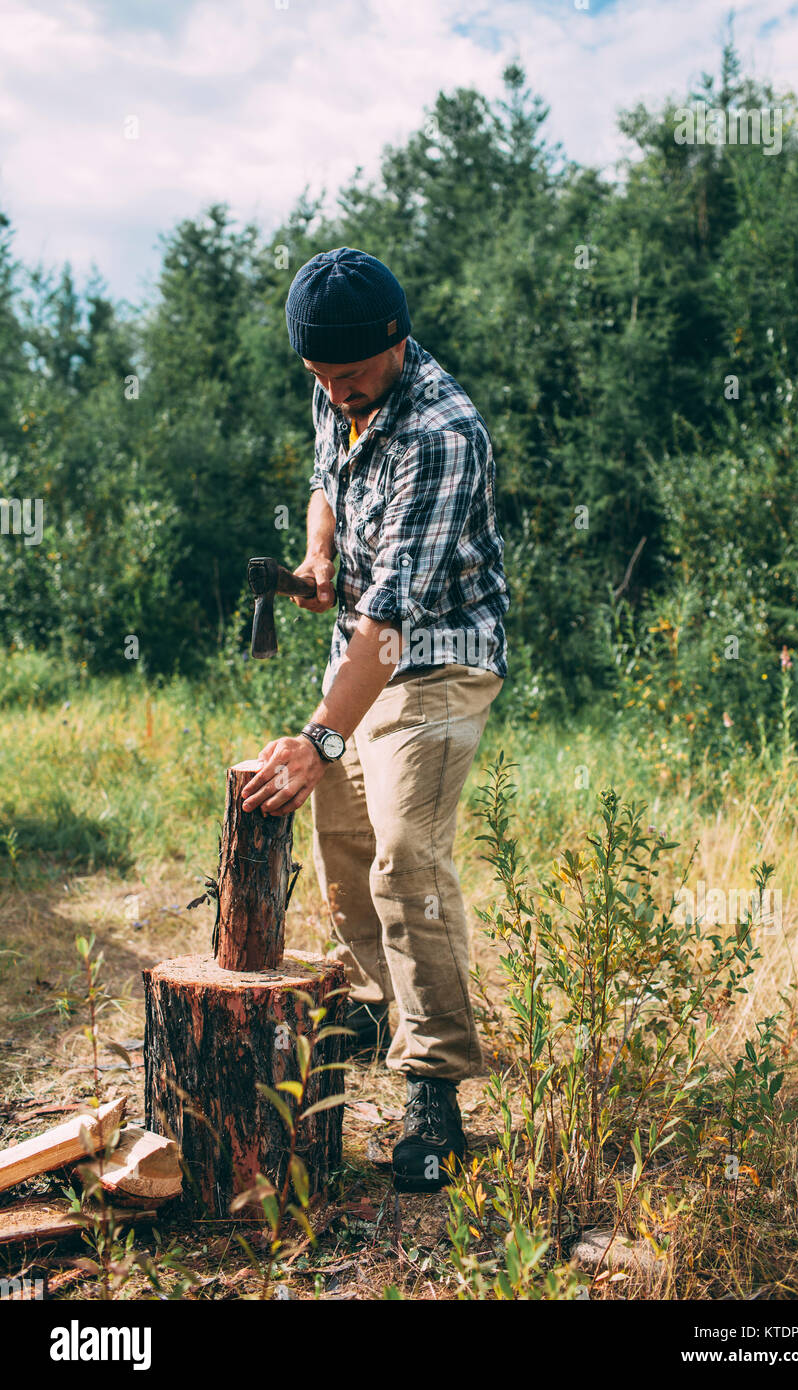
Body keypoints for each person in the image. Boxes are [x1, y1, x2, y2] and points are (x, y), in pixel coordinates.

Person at [241, 247, 509, 1192]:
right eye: (321, 377)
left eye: (352, 377)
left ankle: (435, 1087)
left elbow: (393, 620)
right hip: (363, 650)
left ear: (396, 342)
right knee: (344, 850)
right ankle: (379, 1005)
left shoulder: (444, 433)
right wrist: (319, 557)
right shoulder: (338, 380)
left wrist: (319, 738)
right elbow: (327, 478)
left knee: (404, 857)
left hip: (433, 661)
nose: (337, 392)